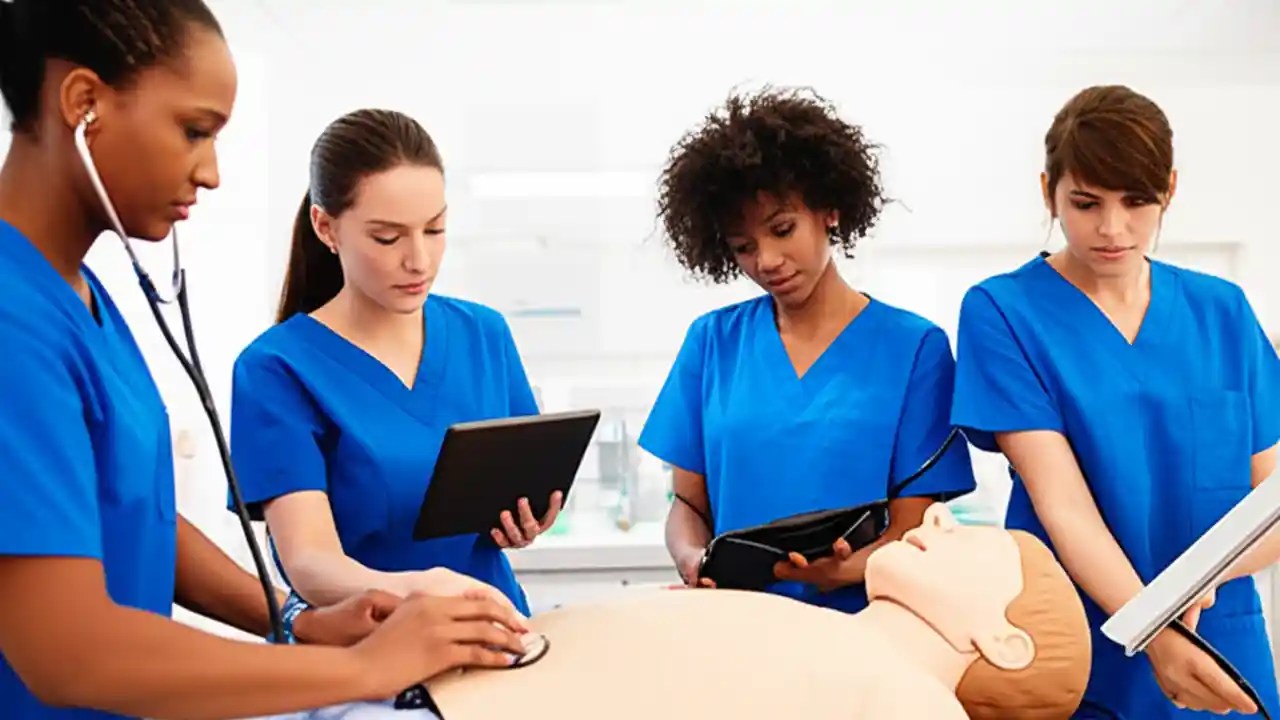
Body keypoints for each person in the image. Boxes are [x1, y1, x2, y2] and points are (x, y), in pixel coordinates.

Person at [0, 3, 532, 719]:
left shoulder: (81, 297)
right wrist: (368, 666)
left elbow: (130, 511)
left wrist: (294, 620)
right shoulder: (13, 317)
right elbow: (72, 654)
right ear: (83, 104)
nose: (213, 173)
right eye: (194, 130)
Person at [951, 84, 1278, 718]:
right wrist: (1154, 630)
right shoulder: (1003, 311)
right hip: (1083, 641)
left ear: (1170, 190)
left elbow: (1270, 502)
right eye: (1085, 202)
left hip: (1222, 637)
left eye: (1136, 202)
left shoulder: (1224, 313)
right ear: (1048, 190)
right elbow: (1064, 508)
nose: (1112, 228)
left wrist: (1200, 584)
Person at [269, 502, 1094, 720]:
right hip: (411, 682)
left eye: (982, 543)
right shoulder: (820, 636)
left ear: (1004, 642)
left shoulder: (912, 701)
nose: (943, 519)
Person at [640, 86, 976, 612]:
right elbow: (688, 504)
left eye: (782, 229)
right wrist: (690, 557)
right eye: (744, 247)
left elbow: (916, 529)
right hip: (735, 623)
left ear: (831, 210)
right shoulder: (711, 343)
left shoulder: (914, 349)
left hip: (865, 629)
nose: (767, 260)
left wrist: (844, 569)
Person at [227, 108, 559, 618]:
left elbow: (520, 486)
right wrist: (420, 590)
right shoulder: (277, 369)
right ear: (325, 226)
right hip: (371, 658)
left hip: (498, 635)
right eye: (388, 237)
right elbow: (311, 563)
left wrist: (526, 519)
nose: (419, 260)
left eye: (435, 229)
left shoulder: (483, 334)